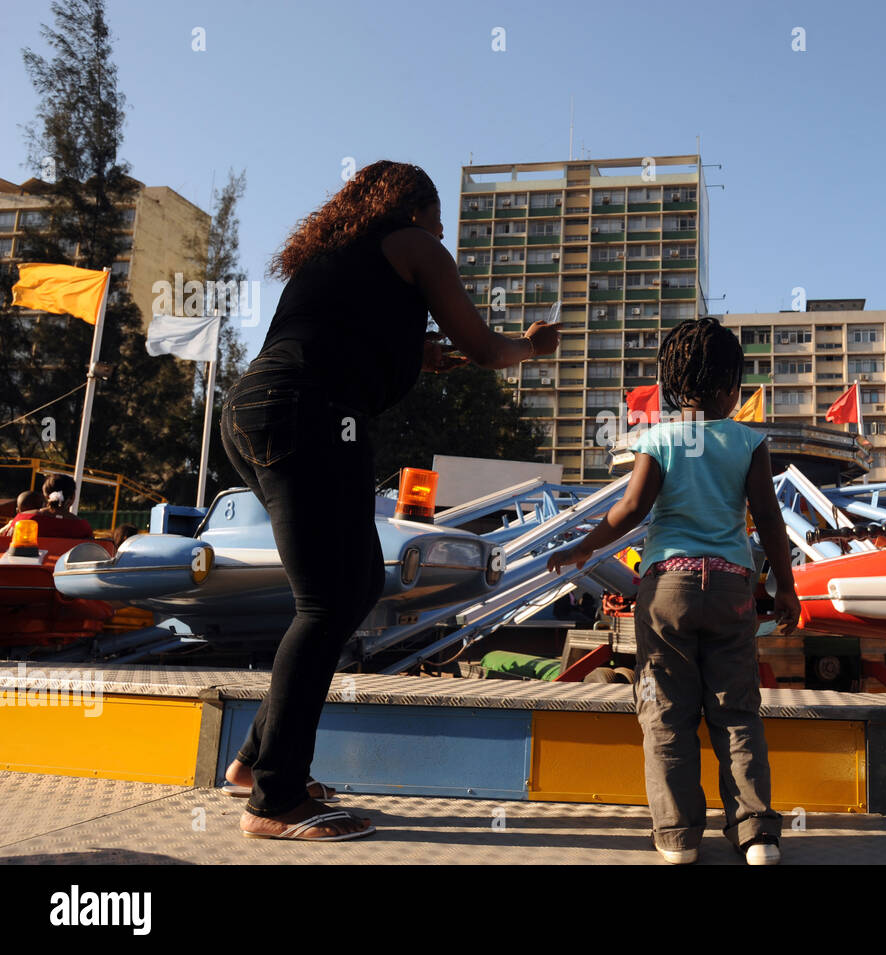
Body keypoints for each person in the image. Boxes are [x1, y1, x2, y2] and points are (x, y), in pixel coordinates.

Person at [218, 160, 559, 841]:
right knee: (332, 598)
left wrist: (424, 357)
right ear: (416, 211)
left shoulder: (339, 257)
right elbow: (486, 347)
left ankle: (259, 763)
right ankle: (277, 798)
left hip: (252, 410)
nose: (443, 237)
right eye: (440, 222)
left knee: (341, 589)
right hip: (310, 413)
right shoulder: (414, 246)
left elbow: (367, 337)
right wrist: (530, 346)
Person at [547, 317, 800, 866]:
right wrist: (786, 587)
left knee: (666, 711)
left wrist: (583, 547)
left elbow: (631, 510)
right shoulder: (749, 440)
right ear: (734, 388)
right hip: (732, 587)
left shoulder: (658, 438)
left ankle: (678, 835)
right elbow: (771, 522)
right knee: (737, 712)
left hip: (667, 589)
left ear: (669, 386)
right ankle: (756, 833)